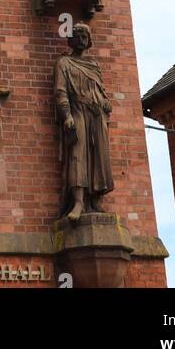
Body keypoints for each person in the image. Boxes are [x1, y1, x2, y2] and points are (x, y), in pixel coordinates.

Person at [54, 21, 114, 222]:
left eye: (84, 36)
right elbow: (61, 92)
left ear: (89, 41)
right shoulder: (64, 63)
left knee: (99, 155)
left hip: (96, 115)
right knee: (77, 155)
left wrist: (106, 103)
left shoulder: (94, 65)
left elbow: (101, 91)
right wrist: (67, 115)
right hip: (78, 112)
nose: (81, 39)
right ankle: (78, 202)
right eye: (77, 36)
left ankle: (95, 199)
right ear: (71, 39)